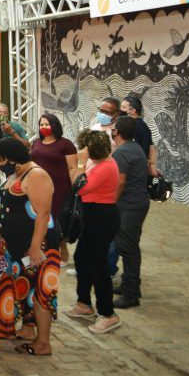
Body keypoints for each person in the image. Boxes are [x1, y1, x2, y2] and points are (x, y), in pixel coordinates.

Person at [0, 137, 60, 354]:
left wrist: (35, 247)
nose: (0, 165)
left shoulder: (36, 175)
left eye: (1, 160)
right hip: (17, 247)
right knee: (25, 288)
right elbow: (6, 206)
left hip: (38, 246)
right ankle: (29, 330)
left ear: (12, 157)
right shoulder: (16, 174)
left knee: (40, 292)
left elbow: (43, 214)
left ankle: (43, 343)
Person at [66, 130, 121, 334]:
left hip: (102, 217)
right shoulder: (97, 163)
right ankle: (84, 303)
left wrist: (79, 164)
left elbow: (78, 188)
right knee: (82, 259)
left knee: (98, 266)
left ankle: (108, 314)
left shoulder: (105, 167)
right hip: (91, 216)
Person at [111, 115, 150, 309]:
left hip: (129, 205)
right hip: (137, 204)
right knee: (130, 245)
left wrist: (112, 203)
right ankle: (130, 284)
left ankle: (131, 293)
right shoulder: (135, 148)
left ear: (116, 131)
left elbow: (120, 182)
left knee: (128, 248)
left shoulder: (122, 153)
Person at [30, 113, 78, 263]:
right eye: (41, 125)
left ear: (55, 126)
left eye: (47, 124)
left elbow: (72, 167)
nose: (44, 127)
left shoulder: (66, 144)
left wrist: (75, 189)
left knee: (58, 222)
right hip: (38, 188)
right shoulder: (37, 142)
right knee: (40, 219)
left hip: (60, 189)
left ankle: (61, 250)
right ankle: (43, 250)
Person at [121, 96, 159, 177]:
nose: (120, 109)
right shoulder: (143, 126)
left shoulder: (132, 127)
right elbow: (151, 146)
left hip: (134, 173)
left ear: (133, 111)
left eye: (123, 107)